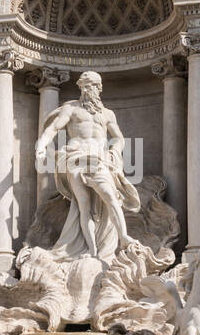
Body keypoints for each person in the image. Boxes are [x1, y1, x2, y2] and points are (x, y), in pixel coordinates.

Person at [33, 71, 140, 259]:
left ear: (99, 88)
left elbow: (118, 137)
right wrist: (42, 144)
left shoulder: (107, 114)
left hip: (98, 160)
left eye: (91, 85)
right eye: (84, 85)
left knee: (111, 197)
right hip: (75, 158)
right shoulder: (71, 109)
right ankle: (92, 251)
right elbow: (54, 128)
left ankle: (123, 237)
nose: (87, 89)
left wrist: (114, 151)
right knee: (84, 206)